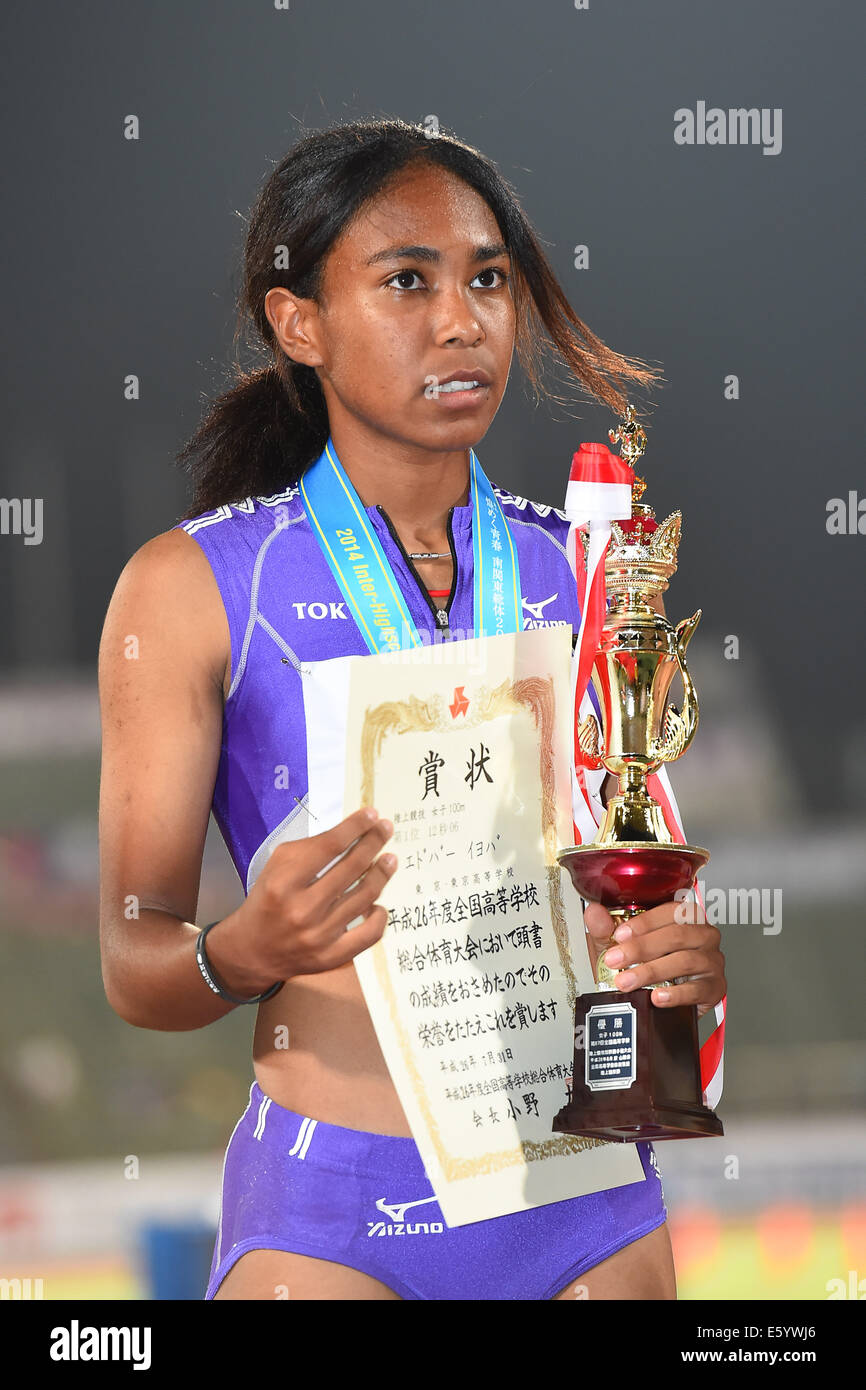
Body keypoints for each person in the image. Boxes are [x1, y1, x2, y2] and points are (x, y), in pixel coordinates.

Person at [98, 118, 725, 1301]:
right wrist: (244, 953)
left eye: (487, 278)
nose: (462, 320)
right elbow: (137, 961)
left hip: (577, 1192)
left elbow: (636, 892)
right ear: (300, 325)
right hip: (328, 1211)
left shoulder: (587, 569)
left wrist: (682, 961)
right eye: (406, 281)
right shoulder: (188, 589)